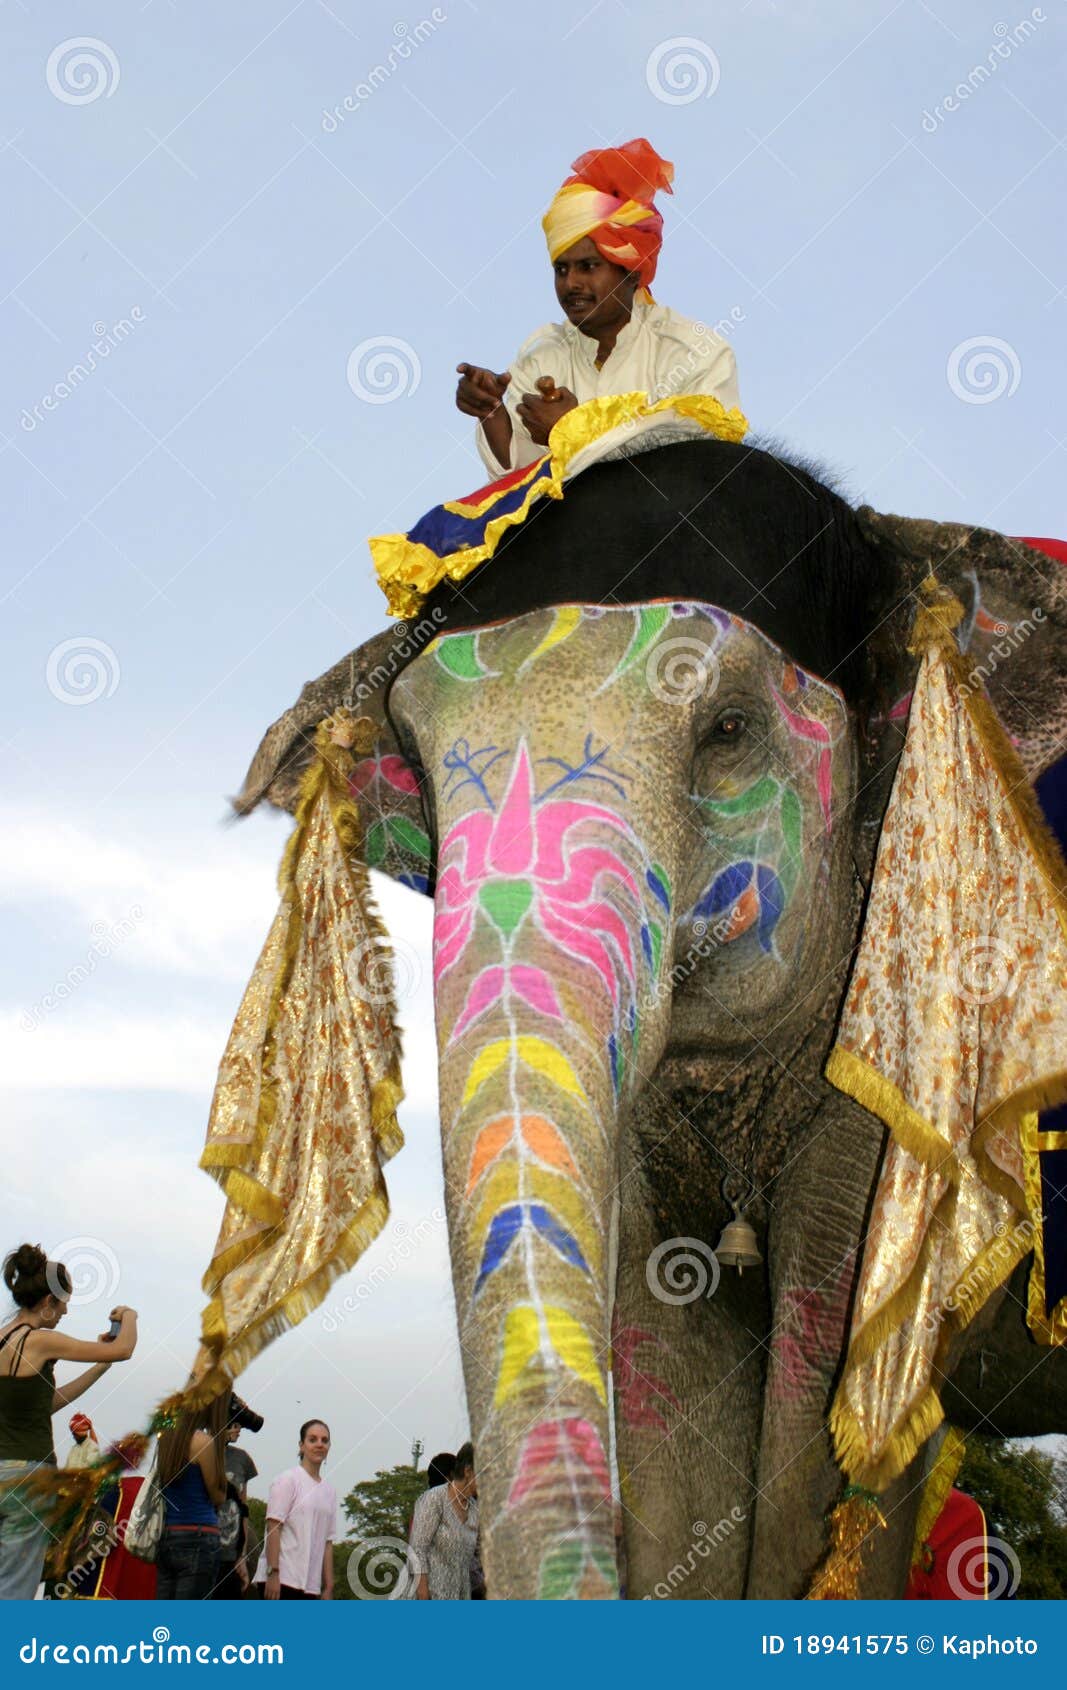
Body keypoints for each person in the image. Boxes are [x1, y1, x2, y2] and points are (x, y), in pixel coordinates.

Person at [456, 138, 741, 478]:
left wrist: (577, 429)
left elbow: (698, 455)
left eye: (588, 266)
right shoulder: (542, 357)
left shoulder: (692, 351)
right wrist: (492, 414)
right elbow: (515, 479)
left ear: (633, 271)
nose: (571, 283)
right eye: (561, 269)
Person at [0, 1242, 137, 1600]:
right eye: (62, 1305)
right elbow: (124, 1349)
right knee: (16, 1586)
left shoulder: (3, 1341)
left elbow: (44, 1405)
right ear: (47, 1303)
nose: (63, 1313)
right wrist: (129, 1316)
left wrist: (99, 1368)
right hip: (29, 1479)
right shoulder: (41, 1341)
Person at [154, 1395, 229, 1600]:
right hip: (199, 1534)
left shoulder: (166, 1438)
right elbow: (217, 1496)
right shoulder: (203, 1442)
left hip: (168, 1536)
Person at [253, 1420, 337, 1600]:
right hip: (282, 1579)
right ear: (302, 1445)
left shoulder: (329, 1491)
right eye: (312, 1439)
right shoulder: (288, 1480)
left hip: (309, 1585)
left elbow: (327, 1542)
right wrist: (273, 1572)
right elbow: (273, 1527)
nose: (319, 1444)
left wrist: (329, 1585)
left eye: (324, 1440)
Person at [409, 1441, 478, 1600]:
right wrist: (423, 1594)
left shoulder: (475, 1511)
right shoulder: (434, 1499)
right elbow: (417, 1550)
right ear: (468, 1471)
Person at [212, 1419, 259, 1599]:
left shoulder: (242, 1459)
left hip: (231, 1554)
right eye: (235, 1424)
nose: (239, 1429)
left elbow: (243, 1508)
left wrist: (242, 1555)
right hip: (205, 1550)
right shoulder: (200, 1454)